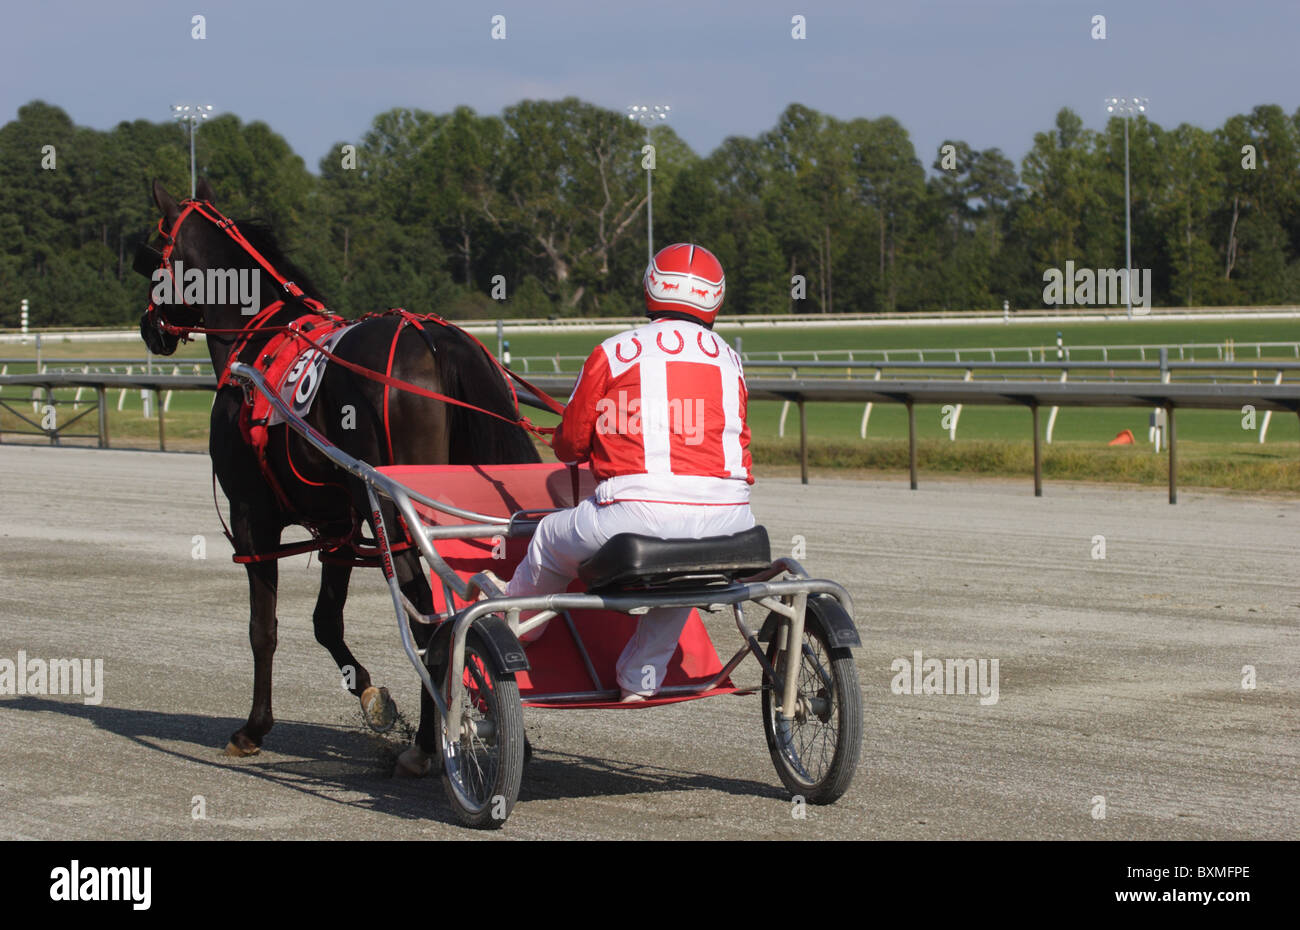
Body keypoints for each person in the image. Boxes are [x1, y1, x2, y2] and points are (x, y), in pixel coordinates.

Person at [501, 243, 754, 701]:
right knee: (688, 566)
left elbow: (571, 444)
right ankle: (640, 678)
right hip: (733, 522)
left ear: (651, 287)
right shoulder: (731, 360)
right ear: (715, 298)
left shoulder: (616, 350)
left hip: (637, 516)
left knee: (548, 538)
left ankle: (517, 628)